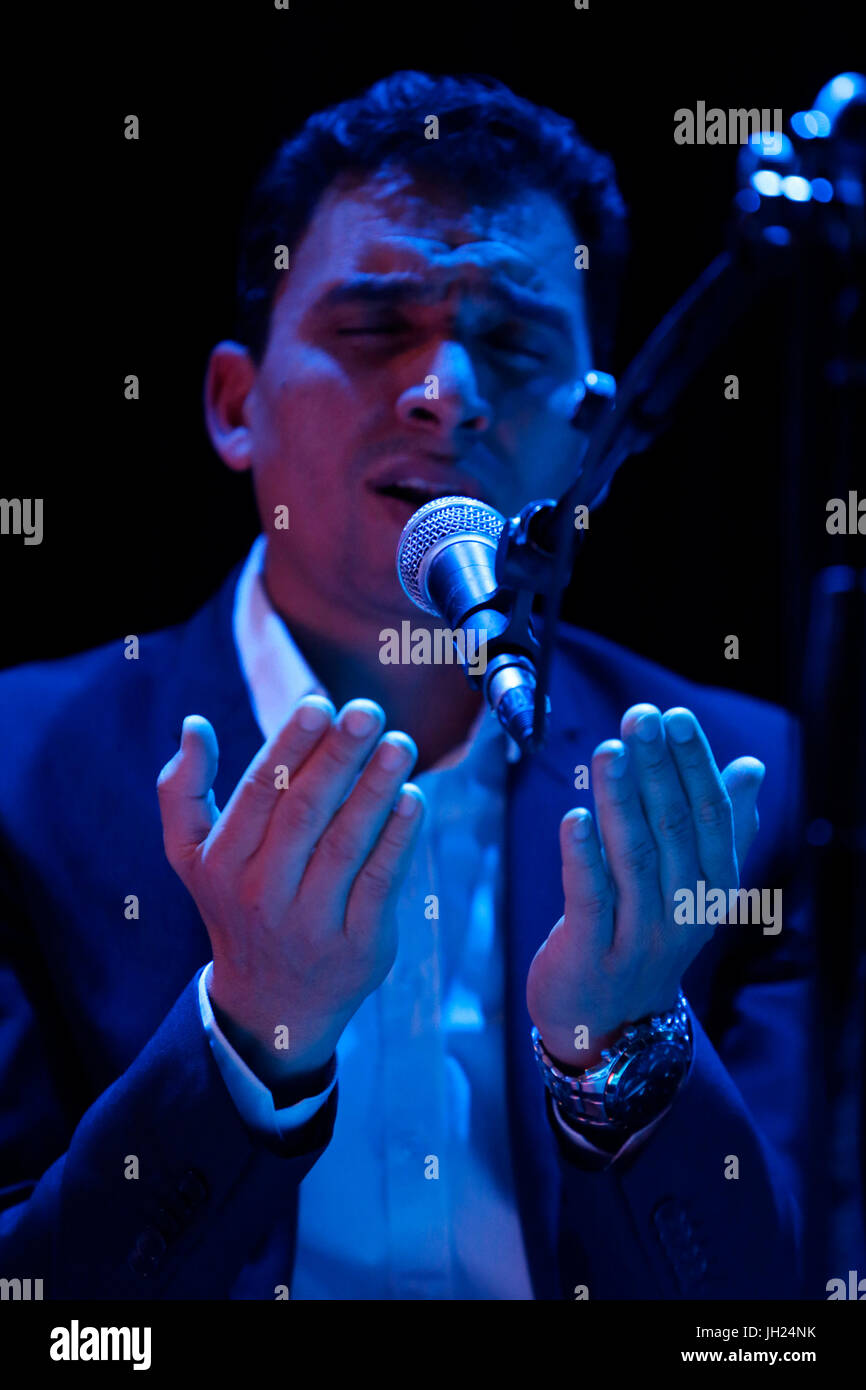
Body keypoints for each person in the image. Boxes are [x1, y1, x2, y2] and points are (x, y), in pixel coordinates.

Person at [0, 71, 812, 1300]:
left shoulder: (738, 785)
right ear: (235, 406)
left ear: (591, 435)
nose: (443, 394)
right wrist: (248, 1041)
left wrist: (626, 1053)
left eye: (510, 341)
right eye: (376, 328)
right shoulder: (17, 768)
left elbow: (774, 1318)